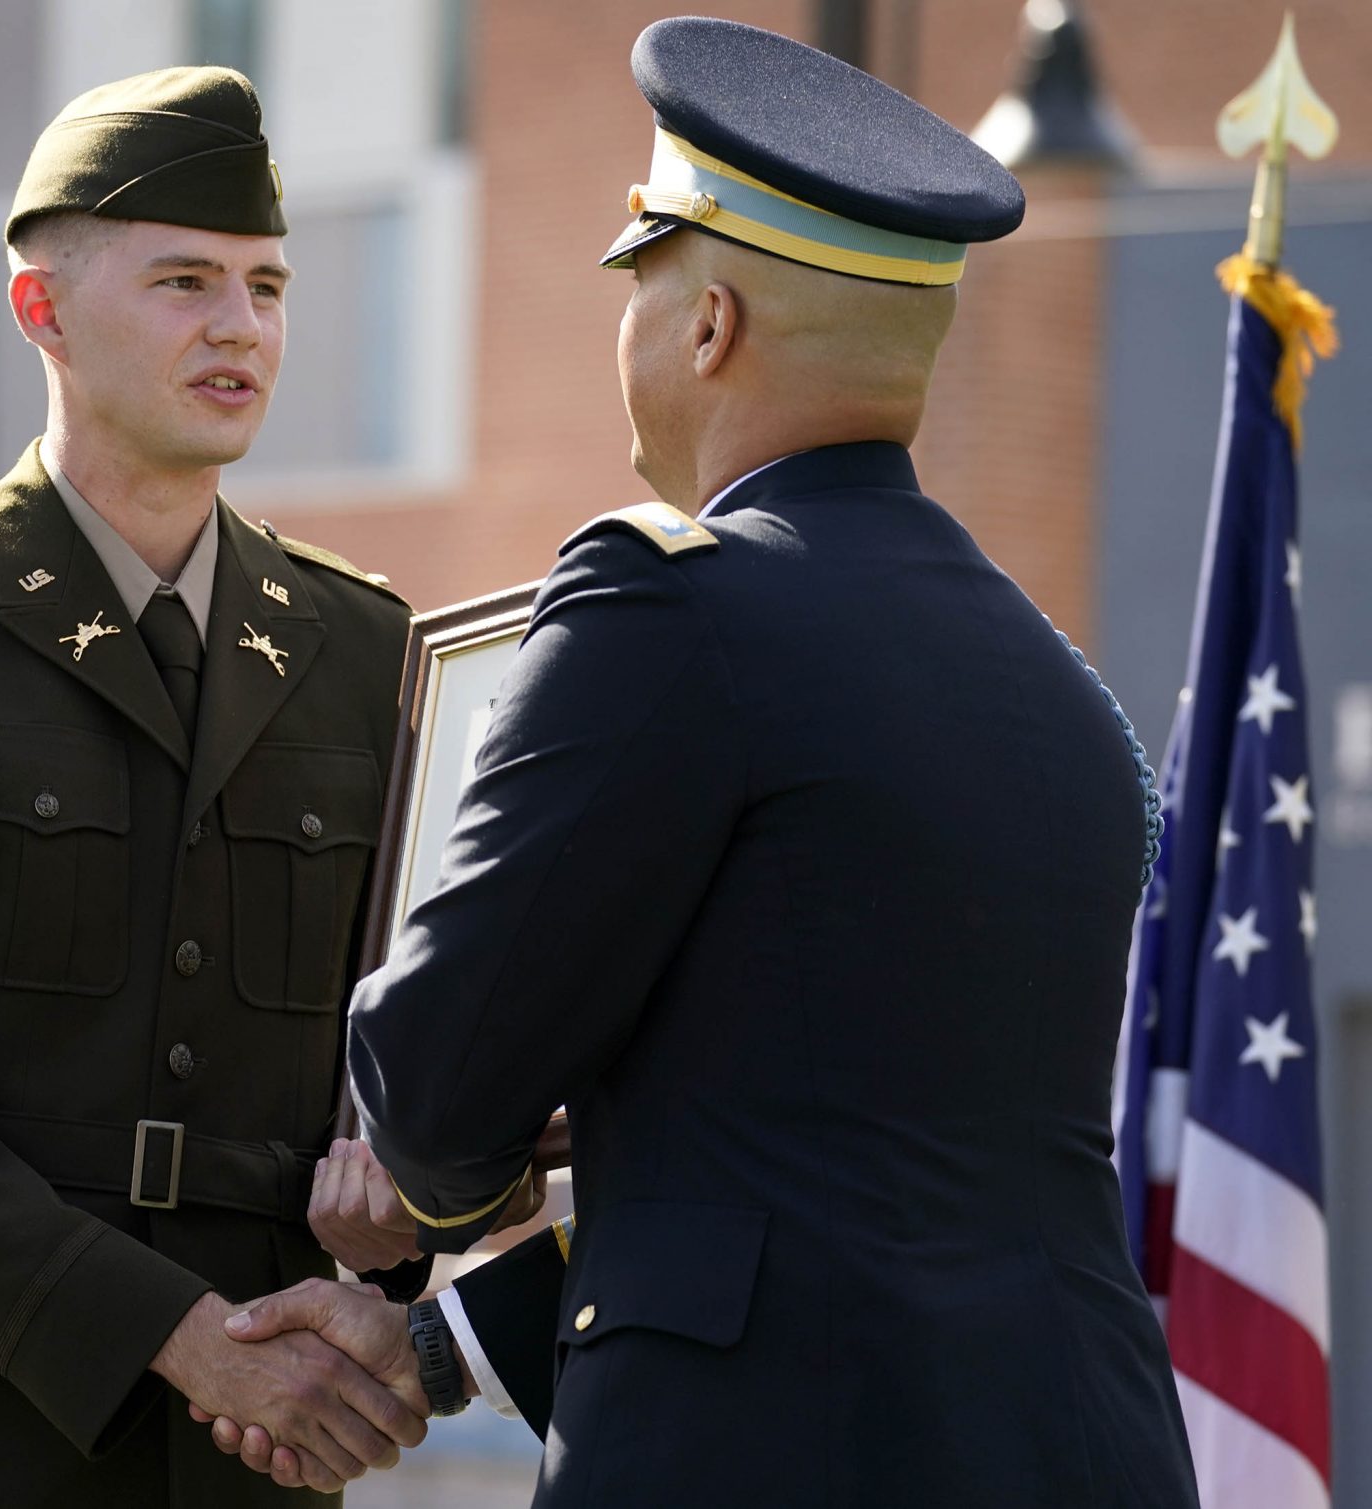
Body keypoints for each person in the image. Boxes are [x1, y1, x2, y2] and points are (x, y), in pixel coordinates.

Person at [196, 17, 1201, 1508]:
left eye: (640, 281)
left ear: (710, 323)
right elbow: (833, 1150)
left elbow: (441, 1089)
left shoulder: (666, 598)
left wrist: (411, 1172)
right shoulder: (1062, 689)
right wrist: (446, 1338)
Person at [0, 66, 436, 1507]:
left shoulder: (369, 650)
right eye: (185, 280)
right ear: (39, 308)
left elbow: (400, 1065)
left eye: (267, 285)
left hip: (249, 1455)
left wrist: (409, 1210)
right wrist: (186, 1343)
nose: (241, 326)